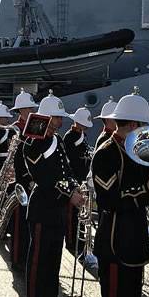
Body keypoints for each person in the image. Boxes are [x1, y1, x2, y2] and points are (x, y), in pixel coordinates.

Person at [91, 88, 149, 297]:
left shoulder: (138, 151)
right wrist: (145, 190)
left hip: (135, 239)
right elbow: (108, 201)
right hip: (115, 242)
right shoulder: (106, 153)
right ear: (133, 125)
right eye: (143, 125)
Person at [20, 91, 85, 297]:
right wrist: (69, 193)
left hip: (57, 209)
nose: (60, 121)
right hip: (42, 209)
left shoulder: (57, 139)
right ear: (46, 117)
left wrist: (74, 187)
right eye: (57, 117)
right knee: (38, 265)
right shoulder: (33, 141)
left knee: (52, 265)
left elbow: (66, 169)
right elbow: (43, 176)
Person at [10, 88, 38, 271]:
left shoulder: (34, 126)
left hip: (33, 180)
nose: (32, 112)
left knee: (30, 223)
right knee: (19, 223)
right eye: (28, 109)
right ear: (20, 111)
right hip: (20, 181)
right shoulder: (15, 129)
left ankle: (26, 256)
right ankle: (17, 259)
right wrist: (27, 178)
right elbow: (16, 159)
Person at [63, 107, 93, 253]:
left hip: (83, 179)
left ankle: (80, 243)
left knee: (82, 215)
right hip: (74, 180)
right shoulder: (70, 137)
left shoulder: (82, 136)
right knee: (73, 216)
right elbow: (71, 160)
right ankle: (71, 242)